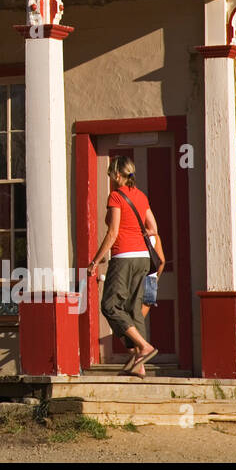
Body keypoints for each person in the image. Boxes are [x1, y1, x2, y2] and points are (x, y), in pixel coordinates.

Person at [87, 155, 164, 377]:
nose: (111, 178)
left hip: (124, 257)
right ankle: (139, 364)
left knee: (110, 305)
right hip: (143, 258)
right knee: (133, 308)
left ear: (117, 174)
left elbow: (113, 233)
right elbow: (153, 228)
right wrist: (138, 236)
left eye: (111, 174)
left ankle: (144, 347)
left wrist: (95, 261)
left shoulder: (116, 196)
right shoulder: (141, 196)